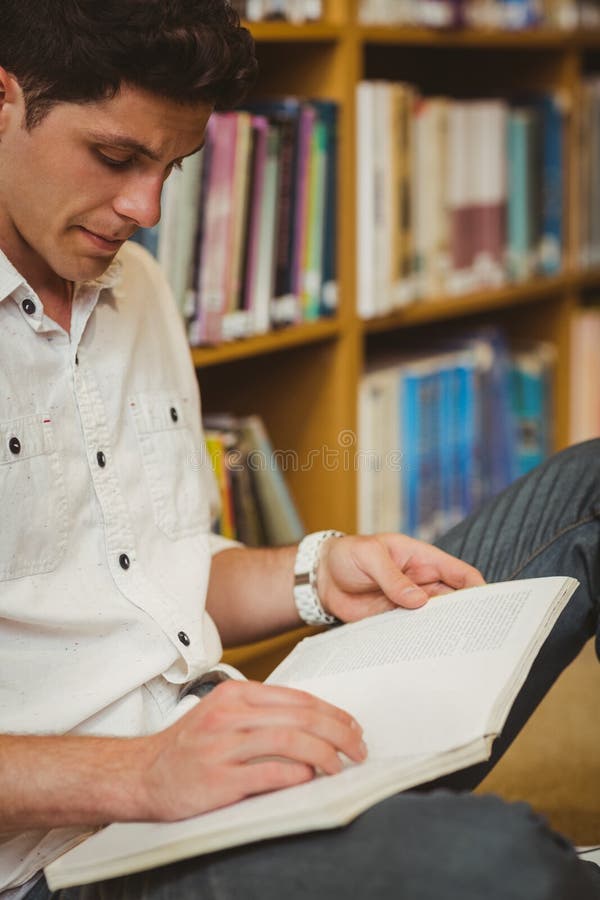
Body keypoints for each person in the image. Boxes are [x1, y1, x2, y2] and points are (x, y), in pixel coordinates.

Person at [0, 2, 598, 898]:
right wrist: (144, 775)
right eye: (118, 159)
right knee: (504, 861)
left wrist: (318, 576)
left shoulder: (133, 284)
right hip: (76, 850)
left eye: (175, 167)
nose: (147, 208)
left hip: (228, 737)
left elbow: (151, 572)